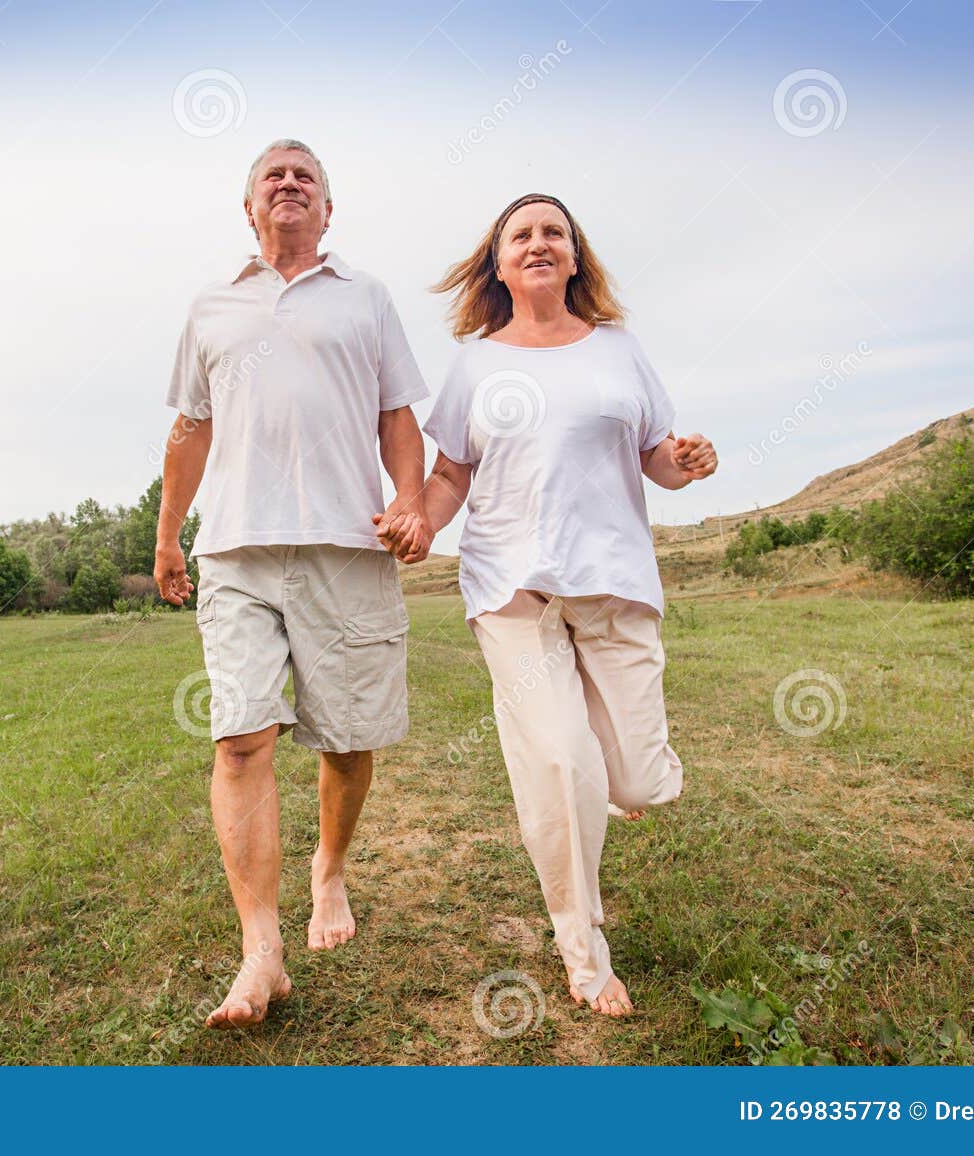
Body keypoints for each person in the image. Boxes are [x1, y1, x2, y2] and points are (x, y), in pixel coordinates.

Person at [380, 192, 717, 1018]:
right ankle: (583, 949)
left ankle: (616, 786)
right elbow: (453, 469)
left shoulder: (619, 351)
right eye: (521, 235)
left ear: (574, 257)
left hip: (613, 581)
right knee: (561, 760)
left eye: (553, 233)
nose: (539, 243)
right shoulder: (475, 364)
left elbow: (656, 460)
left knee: (636, 781)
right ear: (499, 264)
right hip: (511, 585)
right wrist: (420, 511)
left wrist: (688, 460)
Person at [154, 139, 430, 1029]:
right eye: (272, 175)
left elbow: (399, 418)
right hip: (235, 549)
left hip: (345, 545)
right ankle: (260, 951)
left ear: (327, 207)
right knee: (240, 740)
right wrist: (168, 537)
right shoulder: (210, 306)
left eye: (304, 175)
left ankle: (331, 871)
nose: (288, 183)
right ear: (248, 207)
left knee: (348, 742)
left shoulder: (368, 298)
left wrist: (411, 499)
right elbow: (189, 430)